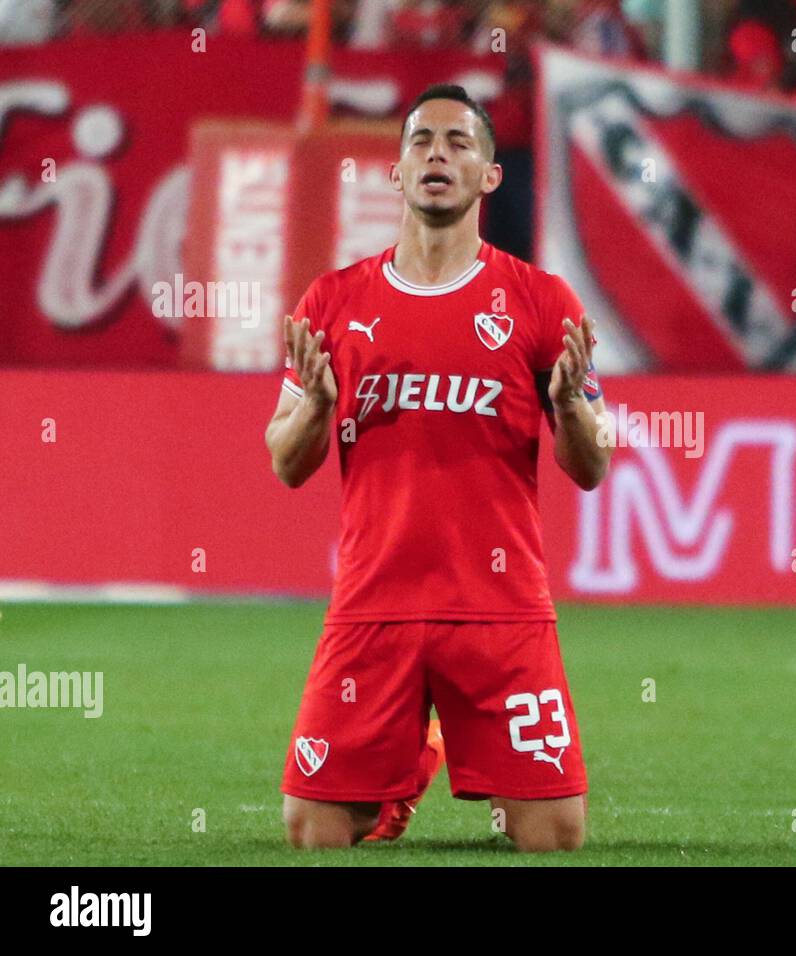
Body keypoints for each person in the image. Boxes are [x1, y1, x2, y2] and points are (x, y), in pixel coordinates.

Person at [266, 83, 611, 852]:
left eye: (460, 143)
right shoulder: (332, 302)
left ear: (490, 175)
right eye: (422, 141)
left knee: (552, 836)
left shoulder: (541, 301)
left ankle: (435, 743)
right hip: (373, 601)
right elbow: (286, 463)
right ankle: (403, 773)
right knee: (312, 831)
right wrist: (318, 410)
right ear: (396, 172)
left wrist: (570, 409)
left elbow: (592, 466)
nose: (438, 155)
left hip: (500, 608)